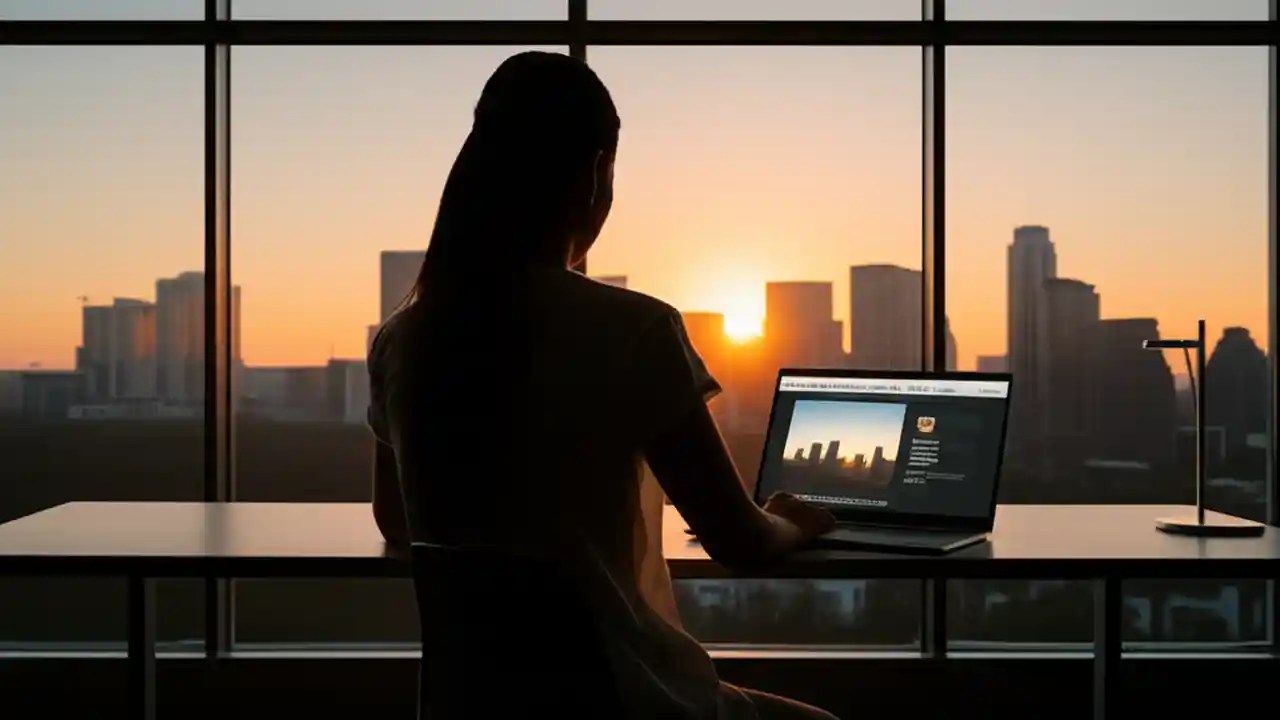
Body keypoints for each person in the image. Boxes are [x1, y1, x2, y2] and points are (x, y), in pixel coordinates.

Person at [367, 51, 839, 720]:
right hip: (627, 700)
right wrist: (791, 520)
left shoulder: (402, 340)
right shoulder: (634, 332)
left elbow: (396, 518)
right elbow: (740, 541)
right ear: (594, 175)